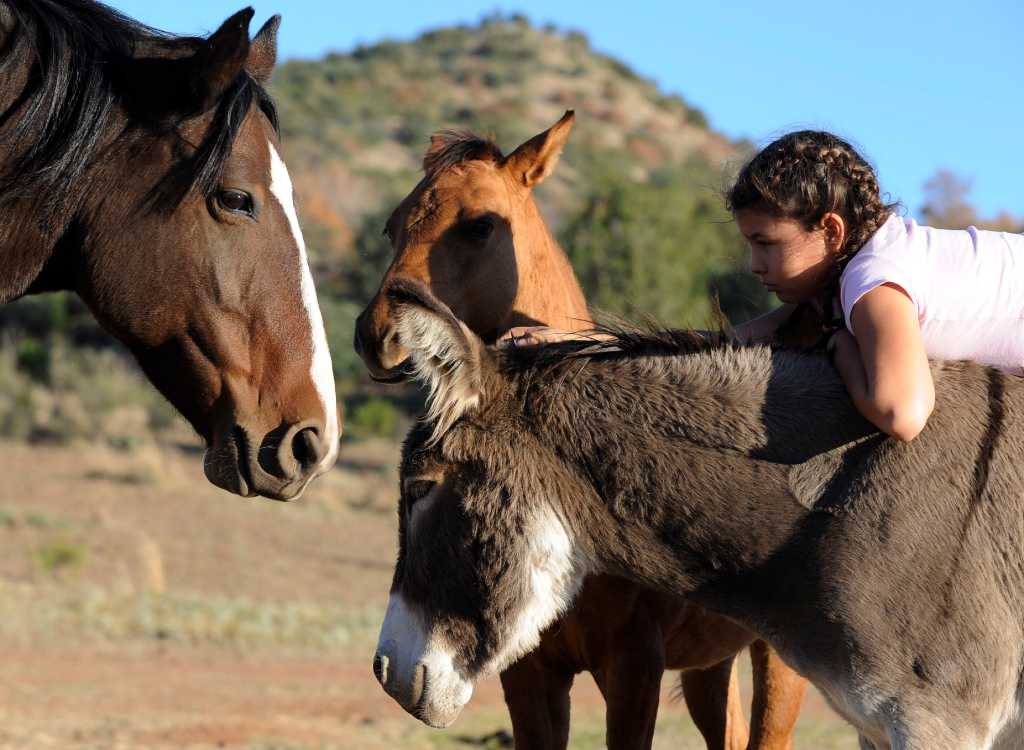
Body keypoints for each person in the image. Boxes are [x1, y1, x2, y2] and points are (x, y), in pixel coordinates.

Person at [729, 130, 1024, 440]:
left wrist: (841, 348)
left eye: (766, 243)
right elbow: (778, 326)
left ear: (831, 230)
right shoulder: (874, 257)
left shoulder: (873, 278)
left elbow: (903, 415)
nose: (754, 264)